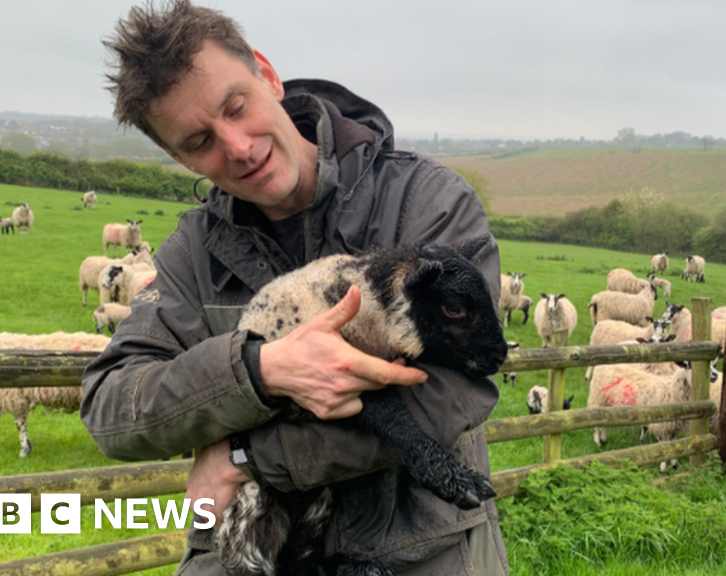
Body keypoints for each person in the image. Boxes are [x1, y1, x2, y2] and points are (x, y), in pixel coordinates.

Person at [80, 1, 509, 575]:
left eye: (237, 106)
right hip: (246, 557)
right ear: (173, 154)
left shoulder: (424, 204)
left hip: (416, 555)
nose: (237, 146)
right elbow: (113, 405)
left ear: (267, 74)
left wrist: (247, 458)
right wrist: (259, 370)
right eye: (199, 141)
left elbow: (458, 389)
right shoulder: (192, 253)